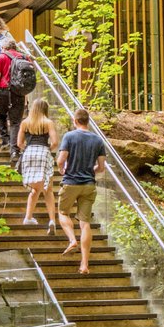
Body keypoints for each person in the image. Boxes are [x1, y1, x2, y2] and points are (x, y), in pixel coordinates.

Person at [56, 107, 108, 274]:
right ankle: (84, 265)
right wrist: (91, 168)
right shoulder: (98, 140)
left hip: (71, 182)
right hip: (89, 185)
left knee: (63, 212)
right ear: (88, 121)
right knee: (85, 223)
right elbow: (101, 167)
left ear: (75, 121)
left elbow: (61, 159)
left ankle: (72, 240)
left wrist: (61, 168)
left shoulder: (69, 136)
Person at [15, 99, 60, 231]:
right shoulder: (48, 123)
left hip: (29, 153)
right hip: (43, 153)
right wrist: (47, 149)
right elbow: (55, 142)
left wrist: (28, 149)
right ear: (45, 109)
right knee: (48, 189)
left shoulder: (25, 123)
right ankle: (52, 220)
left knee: (35, 189)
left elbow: (19, 143)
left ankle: (28, 217)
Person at [0, 37, 26, 167]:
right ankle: (14, 152)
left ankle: (6, 140)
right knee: (15, 122)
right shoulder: (24, 58)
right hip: (19, 93)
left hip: (3, 91)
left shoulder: (1, 57)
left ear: (4, 48)